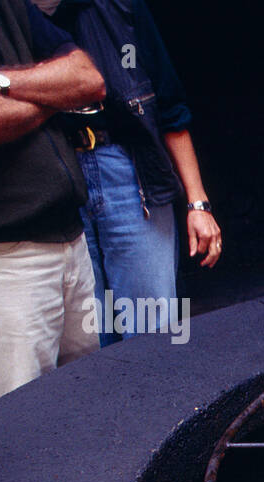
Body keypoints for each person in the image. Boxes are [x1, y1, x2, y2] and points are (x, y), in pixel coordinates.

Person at [0, 0, 105, 405]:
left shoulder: (5, 5)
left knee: (88, 402)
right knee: (22, 422)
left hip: (69, 241)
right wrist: (52, 95)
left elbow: (89, 78)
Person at [38, 0, 219, 345]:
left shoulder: (119, 6)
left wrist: (198, 204)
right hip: (52, 175)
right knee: (85, 342)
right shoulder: (7, 15)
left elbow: (168, 105)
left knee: (154, 331)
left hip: (128, 167)